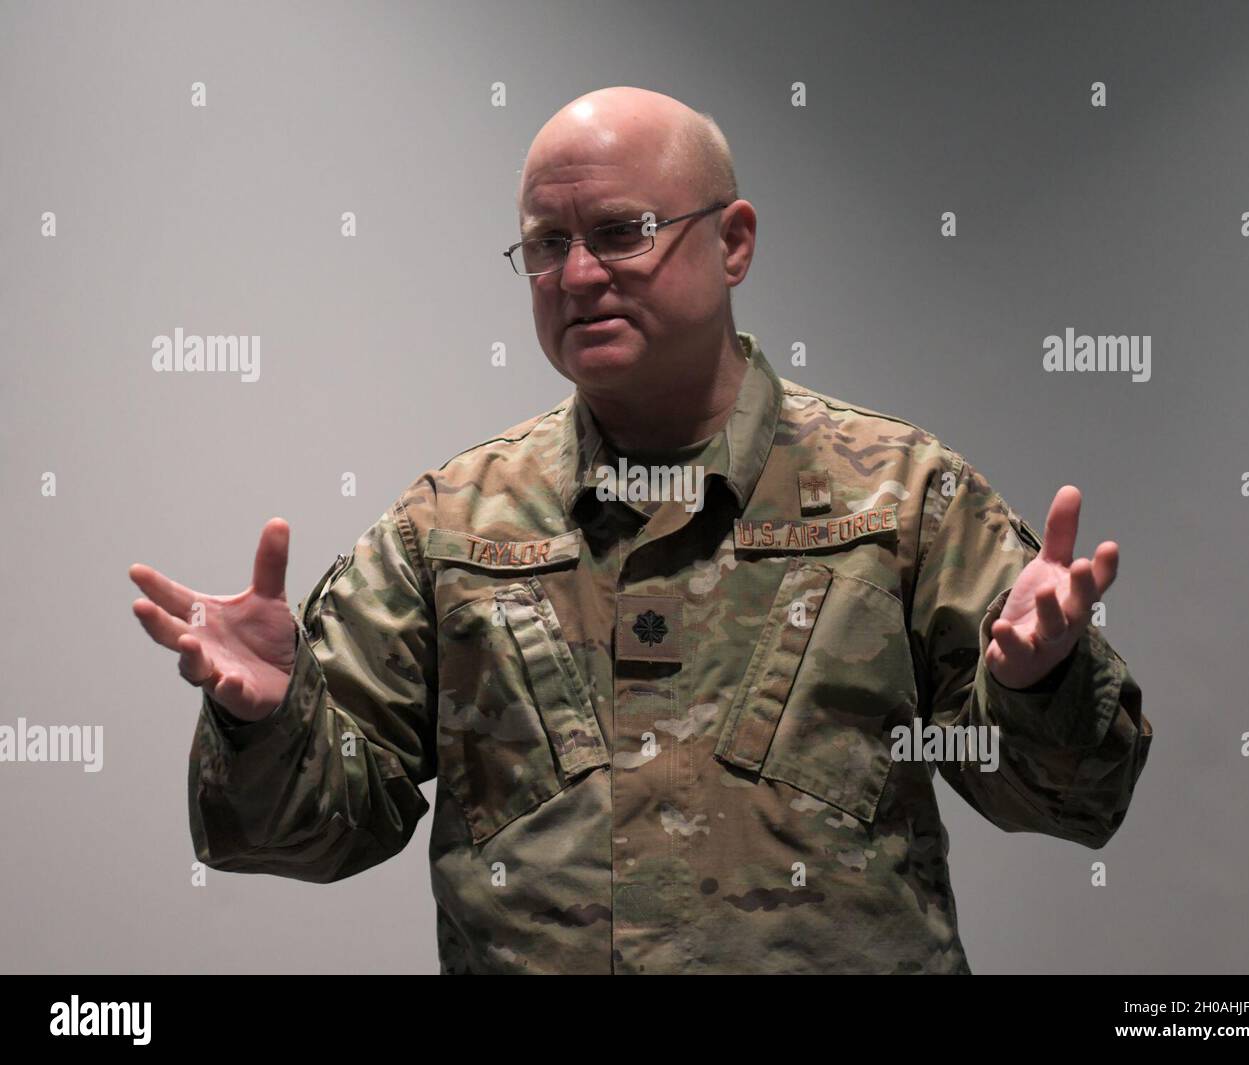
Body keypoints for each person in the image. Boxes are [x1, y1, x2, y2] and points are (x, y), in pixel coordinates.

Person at [129, 86, 1152, 974]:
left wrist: (1037, 688)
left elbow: (1072, 802)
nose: (577, 277)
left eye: (621, 232)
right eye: (545, 245)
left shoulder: (898, 499)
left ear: (733, 241)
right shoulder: (450, 527)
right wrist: (270, 723)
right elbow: (311, 832)